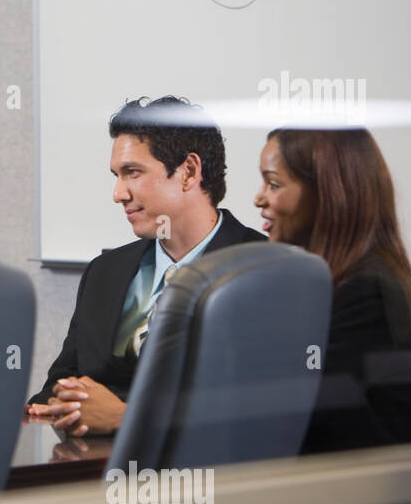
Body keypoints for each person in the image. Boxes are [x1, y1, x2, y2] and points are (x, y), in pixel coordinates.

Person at [28, 96, 265, 435]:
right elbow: (58, 385)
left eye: (133, 173)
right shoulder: (105, 272)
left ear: (189, 172)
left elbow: (257, 409)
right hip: (90, 473)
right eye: (117, 175)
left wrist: (127, 416)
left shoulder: (265, 269)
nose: (118, 193)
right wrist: (59, 403)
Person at [255, 128, 411, 452]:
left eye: (274, 184)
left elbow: (292, 413)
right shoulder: (328, 283)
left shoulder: (368, 295)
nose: (259, 198)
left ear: (326, 193)